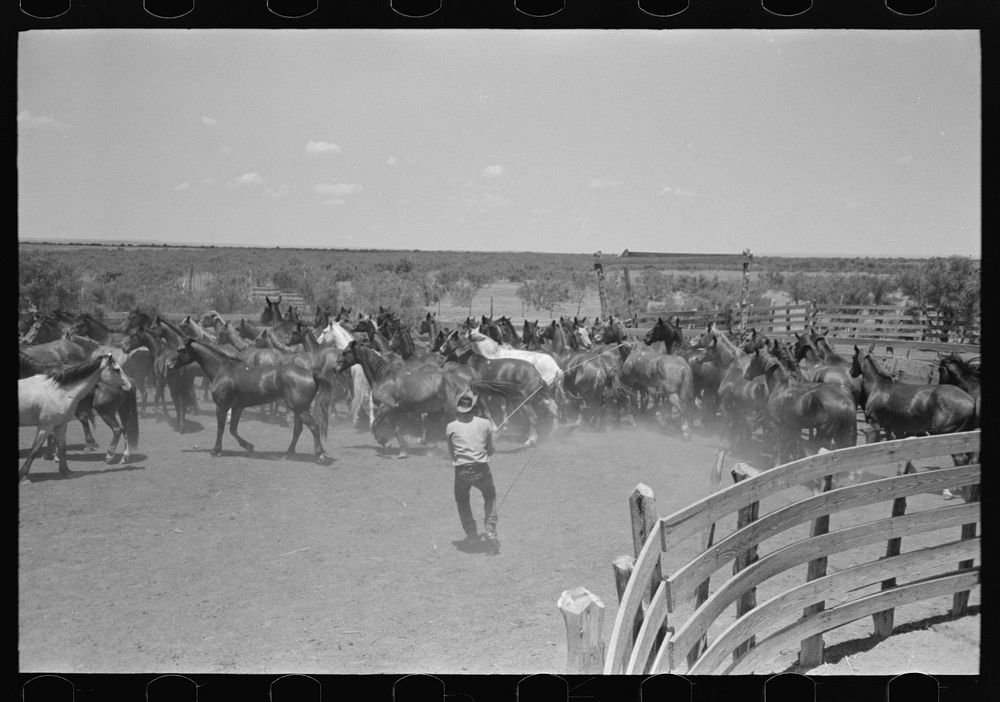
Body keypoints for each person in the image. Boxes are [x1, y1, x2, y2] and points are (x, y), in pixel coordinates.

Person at [446, 388, 500, 555]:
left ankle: (471, 534)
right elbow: (491, 450)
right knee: (489, 496)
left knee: (462, 501)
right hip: (481, 468)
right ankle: (490, 529)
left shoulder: (450, 427)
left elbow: (452, 453)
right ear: (473, 407)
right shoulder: (485, 424)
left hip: (461, 470)